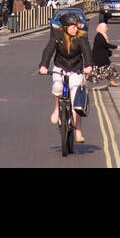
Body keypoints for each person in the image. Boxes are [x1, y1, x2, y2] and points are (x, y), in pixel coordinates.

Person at [38, 14, 93, 145]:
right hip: (60, 67)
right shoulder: (57, 36)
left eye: (76, 26)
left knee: (76, 103)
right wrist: (44, 66)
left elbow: (87, 52)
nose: (76, 29)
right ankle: (57, 109)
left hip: (76, 70)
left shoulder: (81, 38)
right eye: (73, 26)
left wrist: (88, 66)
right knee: (57, 87)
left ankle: (78, 131)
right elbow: (48, 51)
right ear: (66, 27)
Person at [91, 20, 119, 86]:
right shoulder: (99, 36)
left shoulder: (102, 35)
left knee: (108, 69)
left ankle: (112, 82)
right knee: (97, 71)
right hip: (99, 57)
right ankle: (82, 80)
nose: (107, 28)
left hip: (102, 57)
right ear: (102, 28)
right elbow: (105, 45)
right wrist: (116, 47)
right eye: (106, 27)